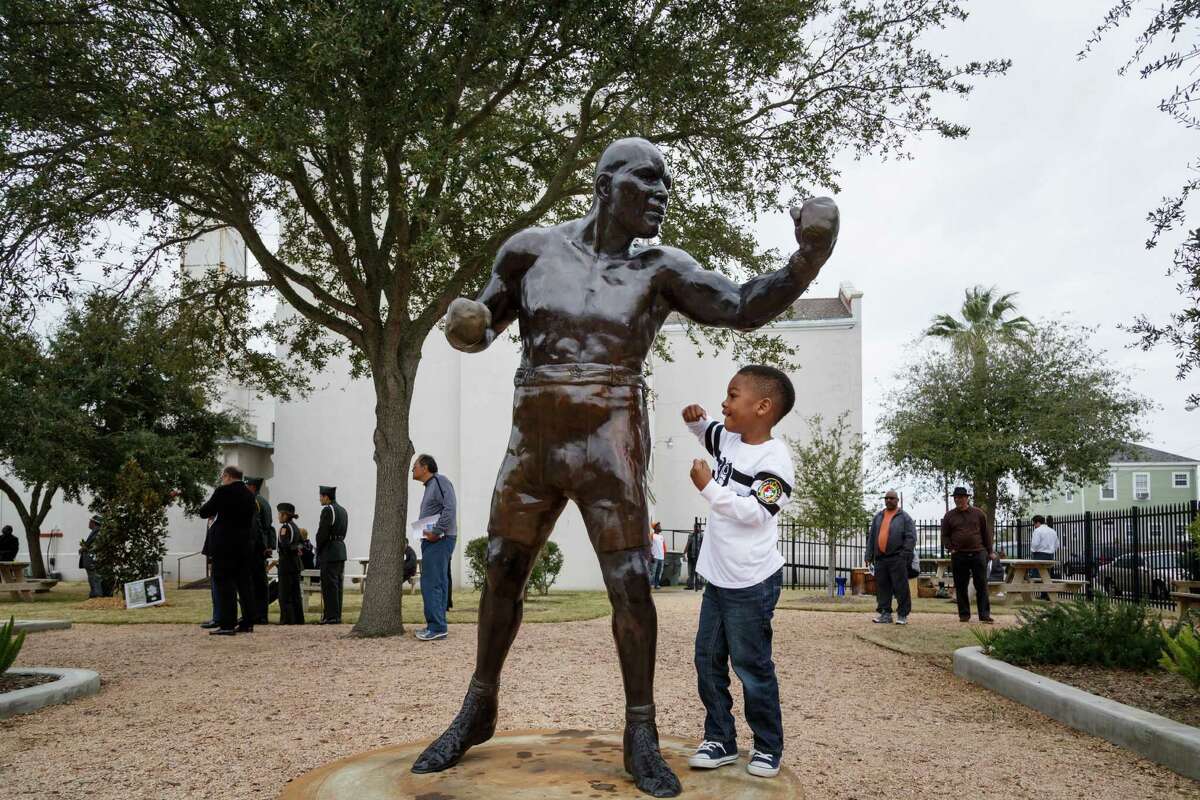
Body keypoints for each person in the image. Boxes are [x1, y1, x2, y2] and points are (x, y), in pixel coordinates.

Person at [417, 137, 837, 798]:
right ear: (605, 184)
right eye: (649, 182)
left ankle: (639, 728)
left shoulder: (660, 269)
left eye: (667, 184)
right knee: (502, 568)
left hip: (613, 436)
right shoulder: (530, 250)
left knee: (631, 581)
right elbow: (481, 324)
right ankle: (479, 704)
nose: (662, 196)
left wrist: (810, 256)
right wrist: (462, 325)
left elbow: (743, 305)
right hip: (535, 437)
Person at [681, 365, 795, 780]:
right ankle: (721, 738)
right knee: (707, 660)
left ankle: (767, 746)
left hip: (752, 582)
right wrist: (694, 420)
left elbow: (756, 513)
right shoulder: (728, 437)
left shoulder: (775, 459)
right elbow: (708, 432)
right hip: (719, 578)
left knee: (751, 665)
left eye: (732, 396)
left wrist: (708, 487)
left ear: (762, 407)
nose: (723, 404)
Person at [197, 465, 257, 635]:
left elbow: (204, 511)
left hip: (224, 545)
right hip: (244, 545)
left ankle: (227, 624)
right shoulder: (249, 495)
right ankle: (248, 622)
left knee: (225, 584)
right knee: (244, 584)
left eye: (223, 476)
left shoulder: (223, 492)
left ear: (228, 476)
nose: (222, 479)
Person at [412, 454, 458, 641]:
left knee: (433, 583)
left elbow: (450, 508)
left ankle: (437, 627)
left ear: (425, 467)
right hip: (433, 540)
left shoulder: (440, 481)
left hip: (439, 540)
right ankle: (436, 625)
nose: (412, 469)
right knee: (436, 582)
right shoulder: (430, 485)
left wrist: (437, 531)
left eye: (414, 466)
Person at [941, 486, 995, 624]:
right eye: (956, 497)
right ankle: (964, 615)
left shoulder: (978, 513)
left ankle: (984, 615)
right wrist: (950, 548)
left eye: (961, 497)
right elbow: (945, 535)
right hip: (959, 554)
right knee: (961, 585)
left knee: (981, 584)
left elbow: (985, 534)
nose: (958, 500)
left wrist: (990, 551)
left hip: (978, 553)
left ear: (967, 498)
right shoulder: (949, 516)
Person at [865, 490, 916, 625]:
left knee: (901, 587)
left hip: (897, 558)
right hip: (881, 559)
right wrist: (868, 555)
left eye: (891, 498)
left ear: (897, 500)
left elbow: (911, 538)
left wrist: (904, 555)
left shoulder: (904, 517)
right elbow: (872, 538)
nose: (888, 500)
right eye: (886, 498)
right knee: (882, 588)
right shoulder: (878, 516)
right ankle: (885, 614)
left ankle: (902, 614)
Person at [245, 477, 276, 625]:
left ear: (252, 487)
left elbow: (256, 527)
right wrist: (268, 546)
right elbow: (269, 528)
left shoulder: (254, 502)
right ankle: (260, 614)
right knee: (260, 582)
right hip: (262, 546)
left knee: (254, 582)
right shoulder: (264, 502)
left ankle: (256, 614)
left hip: (255, 547)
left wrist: (261, 546)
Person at [315, 485, 348, 624]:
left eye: (321, 496)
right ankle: (336, 614)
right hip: (340, 548)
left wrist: (319, 547)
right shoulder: (343, 510)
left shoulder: (328, 510)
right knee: (337, 585)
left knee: (329, 585)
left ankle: (331, 616)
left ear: (326, 497)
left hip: (329, 550)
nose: (320, 499)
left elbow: (323, 532)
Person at [275, 502, 304, 625]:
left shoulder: (285, 528)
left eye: (280, 514)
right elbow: (302, 543)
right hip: (295, 564)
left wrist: (288, 554)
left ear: (285, 515)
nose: (278, 517)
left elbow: (285, 546)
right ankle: (298, 619)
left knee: (285, 593)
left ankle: (287, 619)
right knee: (295, 593)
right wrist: (296, 549)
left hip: (286, 564)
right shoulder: (295, 527)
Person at [1029, 514, 1058, 594]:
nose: (1034, 526)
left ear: (1037, 522)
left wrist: (1033, 551)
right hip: (1050, 555)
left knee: (1037, 575)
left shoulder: (1037, 531)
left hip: (1039, 555)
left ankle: (1041, 593)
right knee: (1046, 575)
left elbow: (1035, 544)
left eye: (1034, 524)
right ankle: (1045, 594)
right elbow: (1057, 545)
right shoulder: (1052, 531)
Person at [79, 516, 105, 597]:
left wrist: (84, 548)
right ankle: (94, 594)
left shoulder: (97, 531)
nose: (89, 523)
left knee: (94, 577)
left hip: (92, 560)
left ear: (93, 523)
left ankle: (97, 595)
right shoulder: (96, 531)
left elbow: (90, 544)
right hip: (91, 559)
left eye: (90, 521)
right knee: (92, 577)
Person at [684, 521, 704, 591]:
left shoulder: (702, 535)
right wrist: (684, 553)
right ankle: (690, 585)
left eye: (697, 527)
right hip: (691, 556)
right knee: (690, 571)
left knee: (699, 571)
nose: (695, 528)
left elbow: (704, 545)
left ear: (699, 528)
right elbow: (688, 544)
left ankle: (699, 585)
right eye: (694, 527)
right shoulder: (691, 535)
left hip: (699, 556)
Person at [649, 522, 666, 590]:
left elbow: (663, 547)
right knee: (653, 572)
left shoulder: (662, 537)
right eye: (658, 526)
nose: (660, 527)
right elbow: (649, 546)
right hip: (654, 557)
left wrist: (664, 555)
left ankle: (657, 584)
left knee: (659, 572)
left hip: (661, 557)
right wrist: (651, 555)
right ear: (655, 528)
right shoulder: (652, 535)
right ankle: (650, 584)